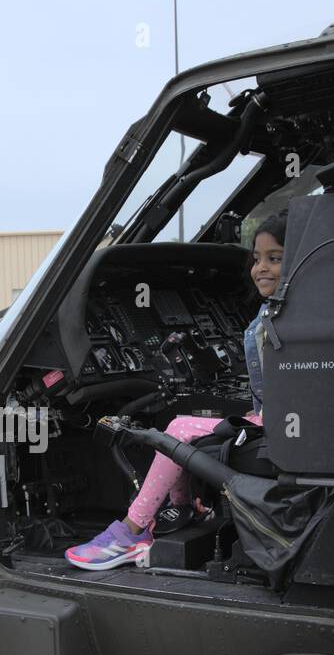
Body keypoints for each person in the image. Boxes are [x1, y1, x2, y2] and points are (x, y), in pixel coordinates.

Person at [65, 214, 285, 570]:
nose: (261, 267)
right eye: (257, 259)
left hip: (278, 429)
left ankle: (132, 531)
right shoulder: (282, 311)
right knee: (188, 421)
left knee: (178, 429)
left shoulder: (279, 320)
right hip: (283, 421)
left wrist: (255, 418)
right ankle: (180, 508)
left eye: (275, 259)